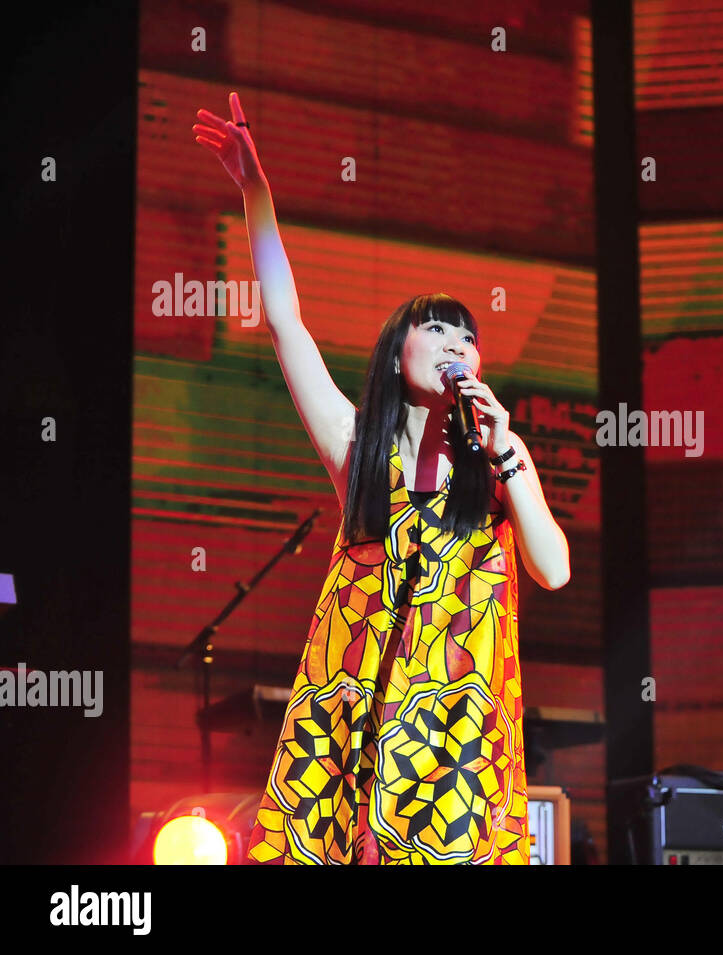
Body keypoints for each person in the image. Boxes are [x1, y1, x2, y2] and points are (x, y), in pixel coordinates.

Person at [194, 93, 570, 864]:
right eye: (435, 328)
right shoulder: (356, 445)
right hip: (356, 717)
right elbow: (286, 322)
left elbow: (555, 570)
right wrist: (254, 192)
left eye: (467, 334)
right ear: (395, 351)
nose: (455, 342)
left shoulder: (496, 459)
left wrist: (510, 457)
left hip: (453, 742)